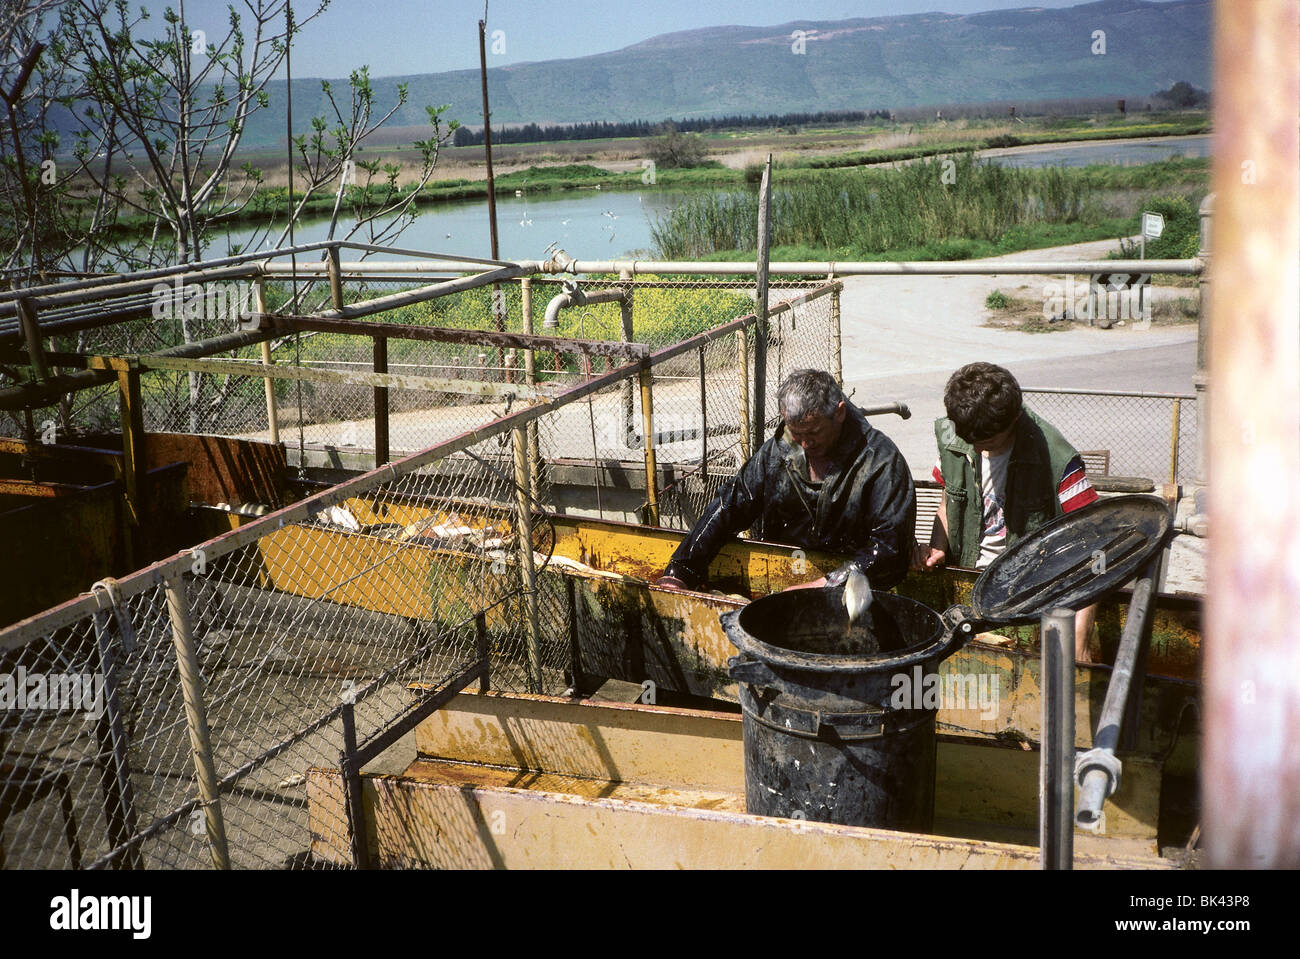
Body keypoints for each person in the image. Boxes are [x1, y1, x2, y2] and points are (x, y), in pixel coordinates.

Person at [658, 369, 915, 593]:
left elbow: (890, 548)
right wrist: (680, 570)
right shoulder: (777, 452)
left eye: (814, 432)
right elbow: (731, 505)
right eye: (796, 433)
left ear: (839, 413)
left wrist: (824, 585)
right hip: (784, 571)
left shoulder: (881, 462)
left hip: (852, 591)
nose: (805, 443)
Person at [912, 362, 1099, 660]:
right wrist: (938, 546)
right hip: (969, 585)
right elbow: (950, 497)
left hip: (1028, 596)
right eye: (969, 439)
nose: (974, 446)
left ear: (1012, 420)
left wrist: (1080, 638)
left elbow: (1094, 546)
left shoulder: (1058, 458)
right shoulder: (957, 436)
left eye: (985, 442)